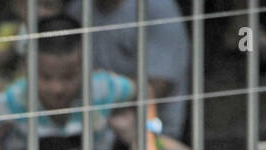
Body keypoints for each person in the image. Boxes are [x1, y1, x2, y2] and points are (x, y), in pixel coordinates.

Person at [0, 15, 137, 150]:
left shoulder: (103, 89)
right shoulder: (13, 100)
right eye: (46, 77)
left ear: (87, 67)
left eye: (68, 77)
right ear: (27, 68)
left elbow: (144, 90)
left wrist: (145, 135)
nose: (57, 88)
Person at [65, 0, 190, 141]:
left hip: (152, 136)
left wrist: (102, 90)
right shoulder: (78, 9)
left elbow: (155, 88)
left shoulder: (156, 7)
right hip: (93, 132)